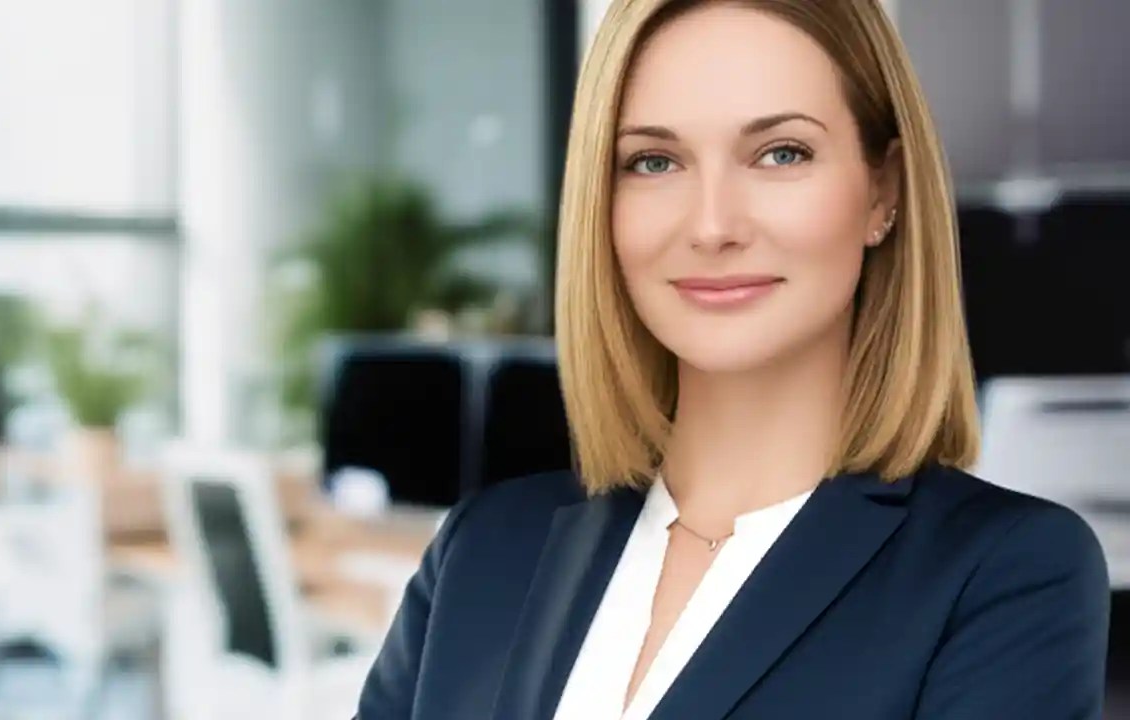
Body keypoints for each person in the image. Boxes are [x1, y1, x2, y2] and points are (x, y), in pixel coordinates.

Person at [355, 0, 1110, 718]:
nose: (712, 225)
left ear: (883, 191)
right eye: (654, 161)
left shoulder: (1004, 573)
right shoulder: (483, 549)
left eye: (781, 153)